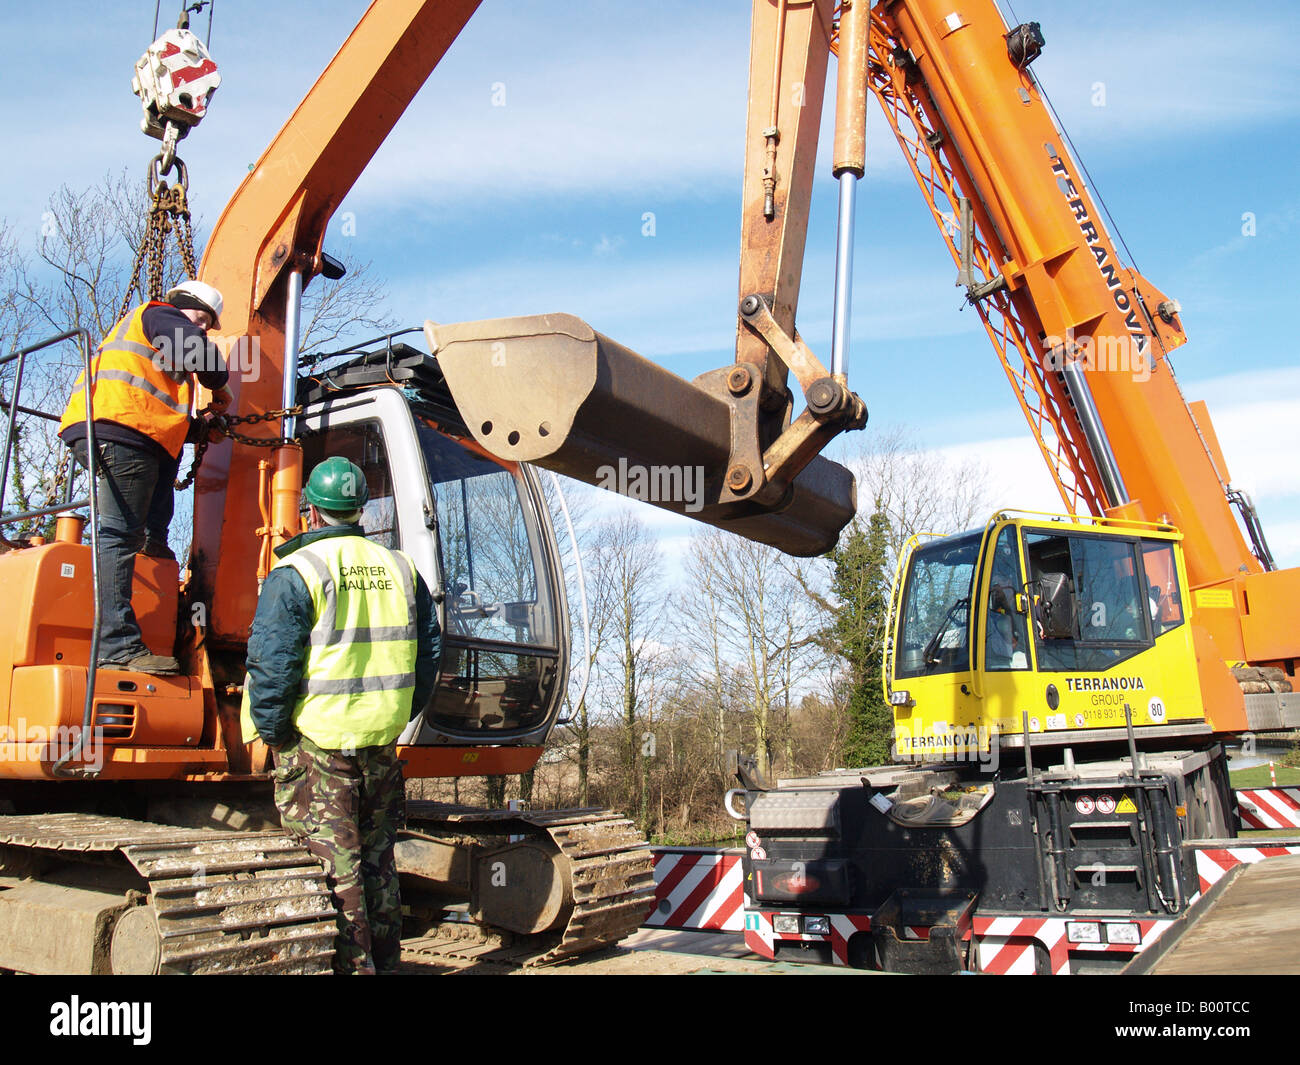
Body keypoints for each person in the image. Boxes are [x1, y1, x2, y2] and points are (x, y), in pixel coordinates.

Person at [241, 456, 442, 975]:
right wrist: (397, 712)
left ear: (310, 511)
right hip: (381, 746)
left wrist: (275, 734)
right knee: (378, 866)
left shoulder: (298, 572)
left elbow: (273, 665)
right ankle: (387, 965)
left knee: (334, 874)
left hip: (319, 749)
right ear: (361, 510)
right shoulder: (402, 570)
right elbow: (428, 655)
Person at [59, 279, 233, 674]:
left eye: (207, 324)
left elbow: (159, 411)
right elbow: (198, 353)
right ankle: (116, 645)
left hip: (135, 435)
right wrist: (222, 386)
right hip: (123, 432)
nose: (202, 328)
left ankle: (154, 619)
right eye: (200, 318)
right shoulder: (159, 315)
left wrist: (201, 429)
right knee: (119, 535)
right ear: (181, 305)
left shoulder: (161, 348)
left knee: (152, 538)